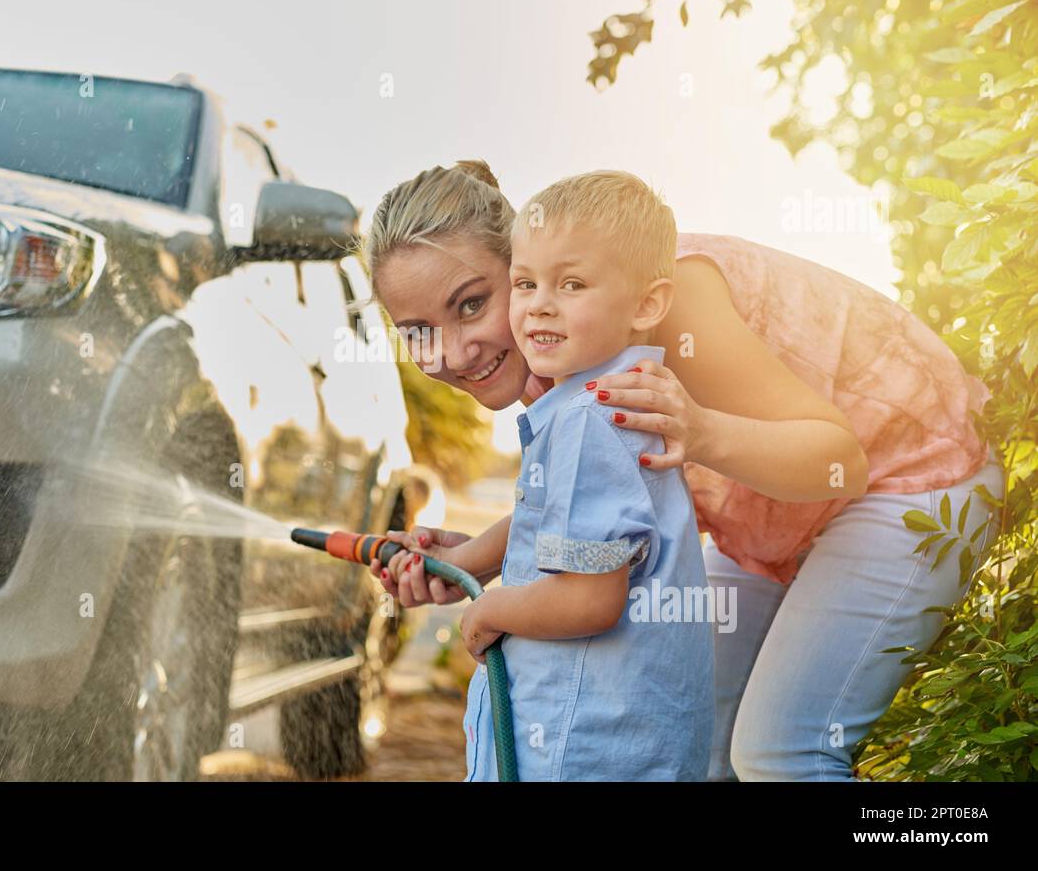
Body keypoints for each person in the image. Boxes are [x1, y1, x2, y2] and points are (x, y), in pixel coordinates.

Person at [364, 160, 1003, 781]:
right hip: (775, 519)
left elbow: (841, 464)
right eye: (418, 331)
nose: (452, 351)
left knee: (781, 751)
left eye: (472, 304)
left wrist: (699, 430)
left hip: (912, 480)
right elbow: (592, 502)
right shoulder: (557, 351)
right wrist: (471, 558)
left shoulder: (653, 306)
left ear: (519, 262)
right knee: (702, 739)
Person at [412, 170, 713, 780]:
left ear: (647, 304)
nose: (540, 304)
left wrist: (490, 612)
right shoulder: (608, 406)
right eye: (524, 284)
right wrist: (469, 557)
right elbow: (560, 536)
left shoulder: (590, 420)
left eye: (571, 283)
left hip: (579, 752)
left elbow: (587, 598)